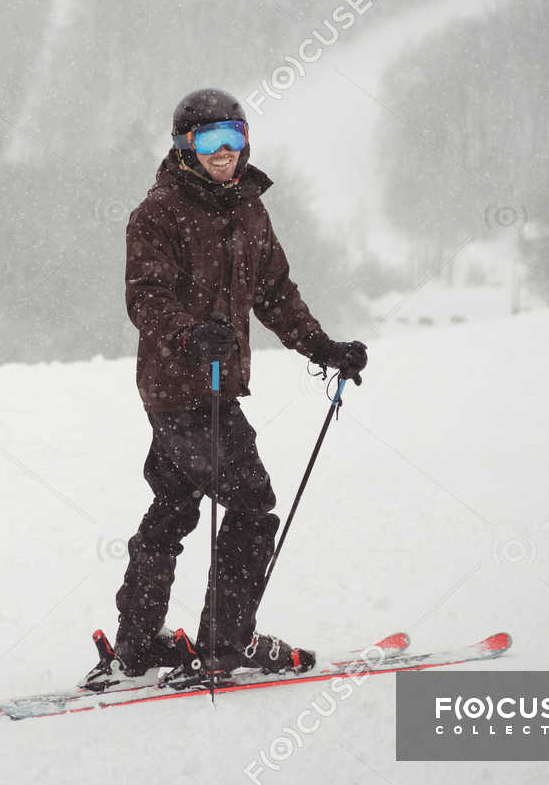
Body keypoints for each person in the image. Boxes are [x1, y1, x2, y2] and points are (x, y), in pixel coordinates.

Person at [86, 87, 368, 687]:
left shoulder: (248, 209)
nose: (225, 153)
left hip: (211, 388)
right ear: (184, 148)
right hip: (181, 389)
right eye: (210, 142)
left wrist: (322, 348)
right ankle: (227, 643)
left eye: (234, 139)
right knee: (251, 504)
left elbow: (275, 293)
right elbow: (147, 297)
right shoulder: (158, 213)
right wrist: (189, 336)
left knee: (174, 503)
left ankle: (136, 645)